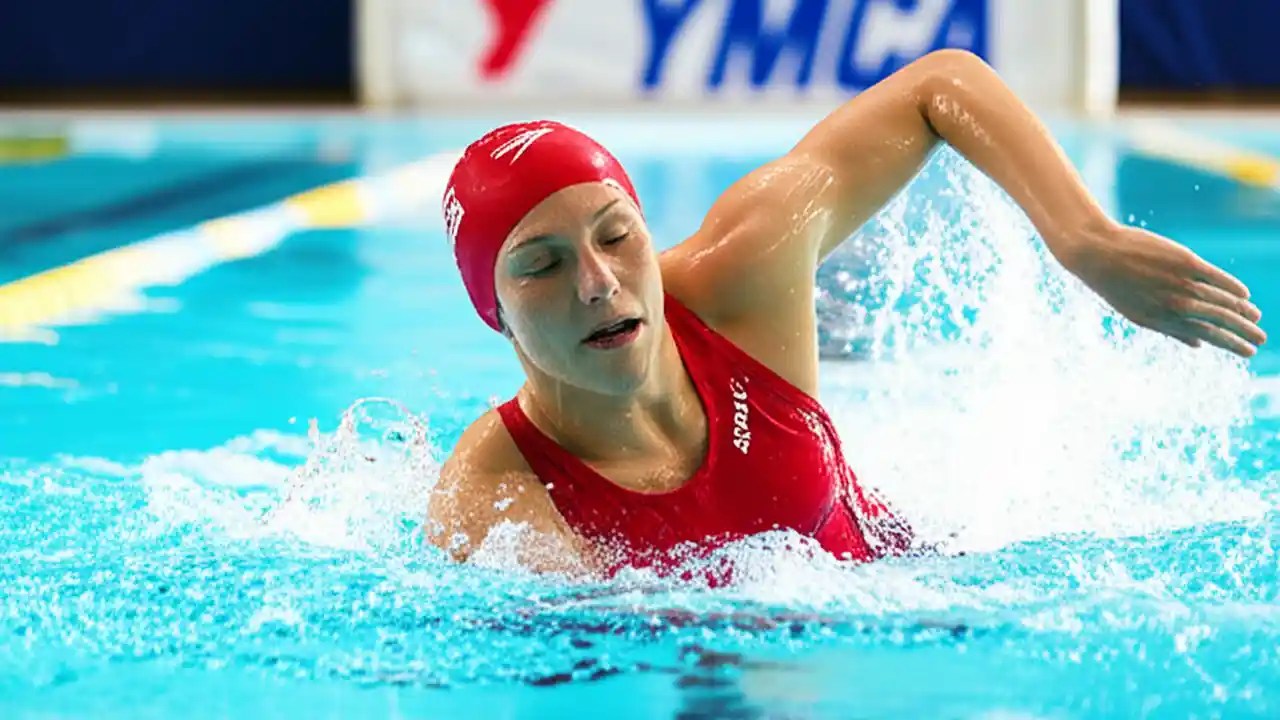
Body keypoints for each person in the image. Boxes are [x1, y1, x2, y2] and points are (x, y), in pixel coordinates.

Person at [424, 49, 1266, 581]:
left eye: (618, 237)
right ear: (490, 311)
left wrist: (1083, 239)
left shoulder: (735, 276)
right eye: (542, 265)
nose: (600, 282)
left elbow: (940, 86)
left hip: (923, 587)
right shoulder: (495, 499)